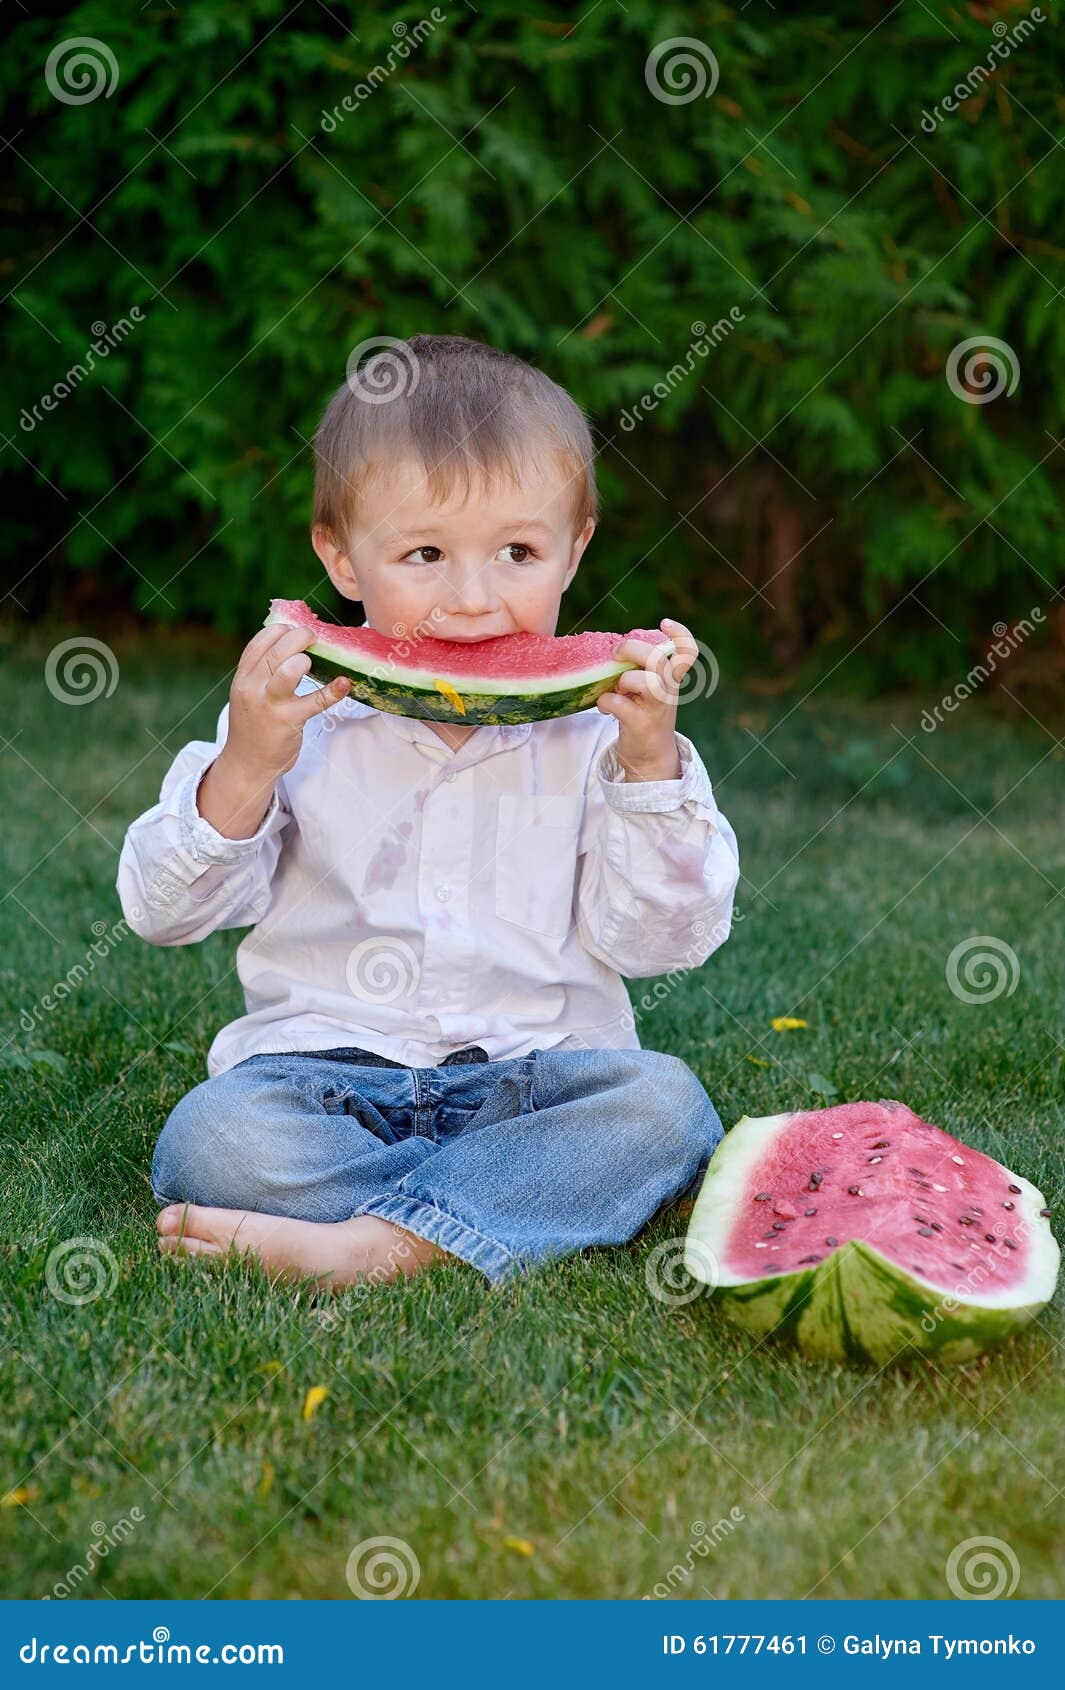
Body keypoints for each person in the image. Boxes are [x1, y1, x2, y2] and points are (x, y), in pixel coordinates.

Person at [116, 332, 740, 1291]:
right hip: (320, 1077)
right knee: (217, 1137)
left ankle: (374, 1246)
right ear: (341, 559)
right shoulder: (296, 728)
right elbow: (164, 914)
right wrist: (246, 764)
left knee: (666, 1109)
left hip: (538, 1081)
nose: (472, 600)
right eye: (423, 553)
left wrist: (649, 767)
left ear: (575, 551)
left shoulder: (601, 743)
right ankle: (495, 1213)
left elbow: (665, 942)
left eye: (518, 552)